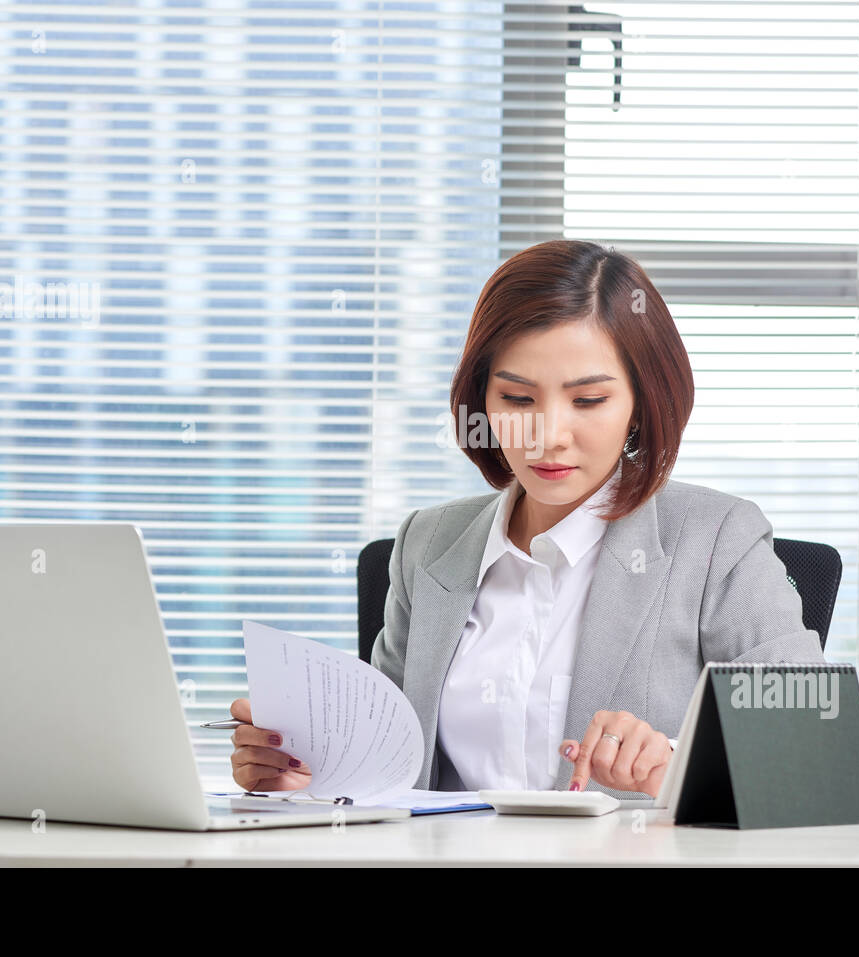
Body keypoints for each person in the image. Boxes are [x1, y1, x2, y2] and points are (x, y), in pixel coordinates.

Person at [229, 239, 826, 799]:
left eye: (588, 400)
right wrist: (304, 770)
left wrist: (675, 759)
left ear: (642, 404)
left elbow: (811, 749)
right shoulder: (427, 544)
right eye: (517, 399)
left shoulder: (717, 538)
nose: (546, 435)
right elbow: (383, 767)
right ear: (481, 401)